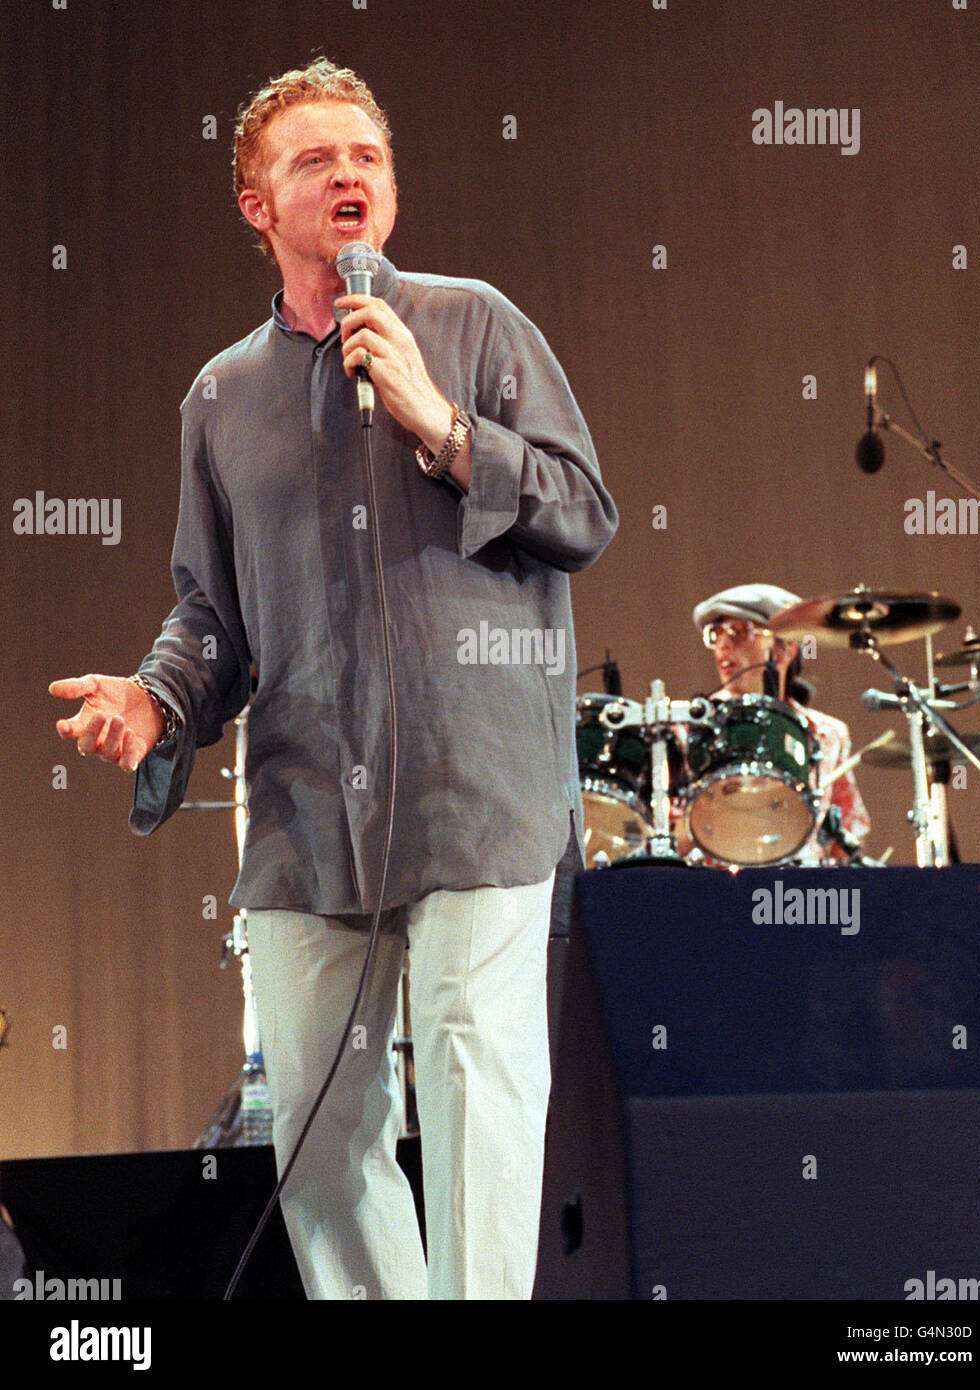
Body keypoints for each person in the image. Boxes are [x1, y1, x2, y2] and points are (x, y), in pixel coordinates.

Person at [48, 58, 617, 1300]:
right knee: (313, 1126)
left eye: (367, 157)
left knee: (478, 1085)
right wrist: (156, 699)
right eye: (315, 160)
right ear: (257, 205)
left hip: (478, 788)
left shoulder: (471, 325)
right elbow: (214, 616)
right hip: (309, 809)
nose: (348, 175)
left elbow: (581, 510)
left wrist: (442, 423)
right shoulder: (219, 397)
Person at [672, 584, 870, 864]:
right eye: (715, 635)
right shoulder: (689, 727)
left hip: (799, 895)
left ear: (784, 650)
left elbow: (849, 830)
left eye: (738, 632)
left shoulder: (827, 734)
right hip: (714, 892)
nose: (723, 645)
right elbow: (668, 839)